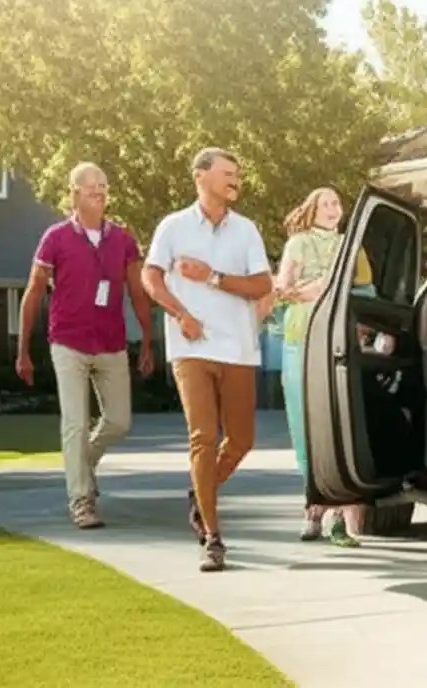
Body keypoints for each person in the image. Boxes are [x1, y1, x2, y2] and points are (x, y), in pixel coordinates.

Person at [142, 147, 273, 572]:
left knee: (240, 441)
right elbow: (150, 276)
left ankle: (202, 490)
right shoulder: (173, 226)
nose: (235, 180)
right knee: (202, 437)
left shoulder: (247, 230)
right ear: (201, 176)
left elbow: (259, 286)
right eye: (227, 173)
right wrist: (181, 314)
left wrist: (212, 277)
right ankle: (213, 538)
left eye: (237, 173)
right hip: (191, 350)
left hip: (237, 347)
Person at [17, 162, 153, 529]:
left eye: (104, 185)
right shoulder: (55, 238)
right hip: (68, 342)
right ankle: (81, 500)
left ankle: (82, 462)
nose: (100, 191)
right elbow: (32, 293)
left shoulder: (123, 240)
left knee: (119, 421)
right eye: (92, 185)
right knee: (74, 423)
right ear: (74, 191)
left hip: (111, 342)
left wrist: (148, 341)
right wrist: (23, 350)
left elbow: (138, 292)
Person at [261, 186, 365, 547]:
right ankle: (313, 509)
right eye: (326, 203)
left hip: (337, 335)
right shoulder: (298, 243)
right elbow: (282, 289)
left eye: (338, 202)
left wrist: (323, 288)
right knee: (304, 424)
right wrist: (320, 287)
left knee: (337, 423)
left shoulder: (351, 246)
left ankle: (337, 514)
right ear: (312, 209)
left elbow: (360, 289)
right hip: (300, 335)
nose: (334, 209)